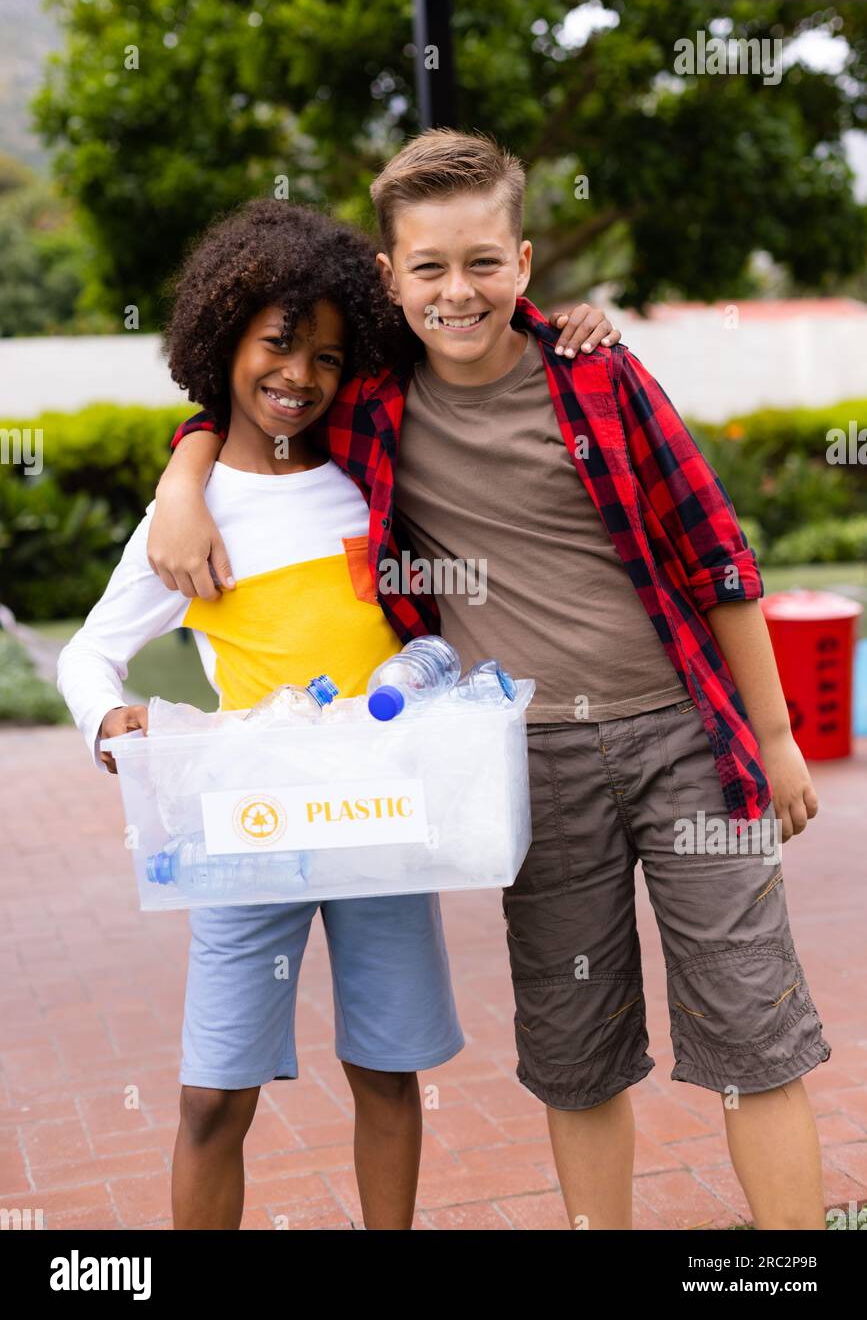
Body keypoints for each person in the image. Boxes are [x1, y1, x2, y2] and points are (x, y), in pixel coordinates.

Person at [148, 128, 831, 1231]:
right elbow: (256, 393)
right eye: (428, 268)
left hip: (684, 744)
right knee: (577, 1050)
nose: (456, 291)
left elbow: (719, 553)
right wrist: (186, 468)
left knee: (754, 1031)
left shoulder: (596, 372)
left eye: (481, 263)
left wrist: (779, 734)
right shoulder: (371, 401)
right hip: (531, 763)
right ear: (390, 278)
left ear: (521, 264)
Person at [58, 195, 618, 1230]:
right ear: (222, 342)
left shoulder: (371, 473)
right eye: (277, 348)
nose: (300, 377)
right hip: (248, 828)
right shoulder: (189, 512)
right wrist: (109, 719)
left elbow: (465, 329)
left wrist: (566, 319)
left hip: (382, 824)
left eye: (325, 356)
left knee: (389, 1073)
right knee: (212, 1097)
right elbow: (91, 651)